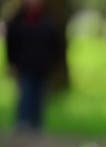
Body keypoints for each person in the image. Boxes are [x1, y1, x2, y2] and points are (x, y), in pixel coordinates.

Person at [5, 0, 64, 132]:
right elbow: (12, 44)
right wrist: (11, 63)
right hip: (24, 65)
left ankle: (37, 124)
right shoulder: (17, 21)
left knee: (39, 96)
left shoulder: (49, 21)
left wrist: (55, 63)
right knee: (26, 93)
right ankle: (23, 122)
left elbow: (56, 45)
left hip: (43, 66)